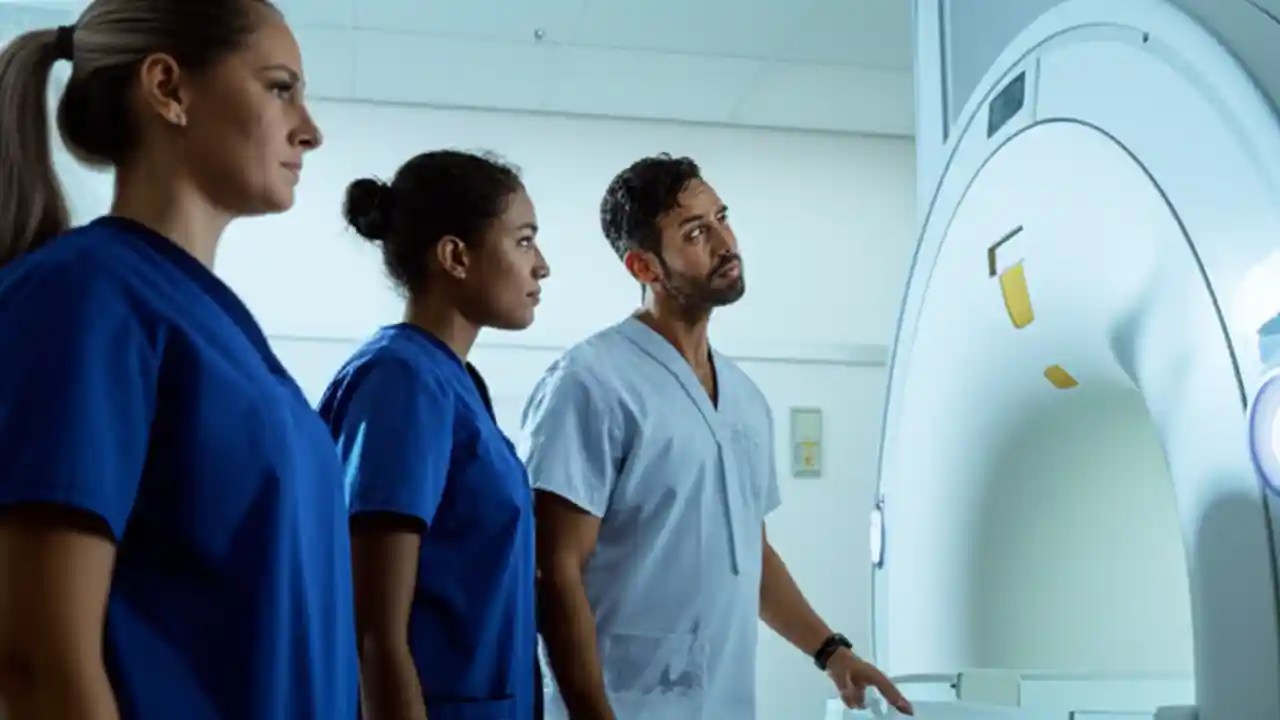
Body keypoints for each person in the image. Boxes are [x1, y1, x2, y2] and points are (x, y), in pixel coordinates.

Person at [0, 2, 358, 719]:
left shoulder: (206, 322)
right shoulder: (83, 299)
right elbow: (39, 666)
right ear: (168, 88)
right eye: (280, 87)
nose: (310, 131)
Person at [520, 154, 915, 719]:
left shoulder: (745, 399)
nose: (725, 242)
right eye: (696, 232)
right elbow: (554, 571)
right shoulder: (591, 383)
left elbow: (747, 554)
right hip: (621, 705)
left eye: (722, 218)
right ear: (644, 267)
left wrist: (831, 652)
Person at [317, 150, 550, 720]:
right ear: (455, 256)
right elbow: (374, 633)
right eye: (523, 241)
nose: (541, 265)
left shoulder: (454, 383)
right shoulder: (400, 379)